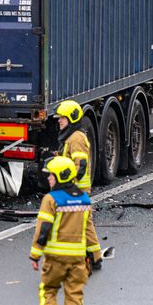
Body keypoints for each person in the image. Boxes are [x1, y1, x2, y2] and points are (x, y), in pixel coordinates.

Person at [29, 156, 92, 305]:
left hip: (55, 257)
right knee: (75, 296)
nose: (49, 179)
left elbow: (43, 229)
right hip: (78, 259)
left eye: (51, 175)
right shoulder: (85, 199)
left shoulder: (51, 199)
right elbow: (88, 230)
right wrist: (93, 256)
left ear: (60, 176)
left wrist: (35, 255)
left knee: (48, 291)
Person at [55, 100, 103, 270]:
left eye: (63, 118)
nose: (59, 121)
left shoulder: (76, 138)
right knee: (83, 223)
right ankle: (93, 257)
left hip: (77, 190)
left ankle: (87, 258)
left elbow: (80, 166)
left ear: (72, 118)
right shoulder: (71, 137)